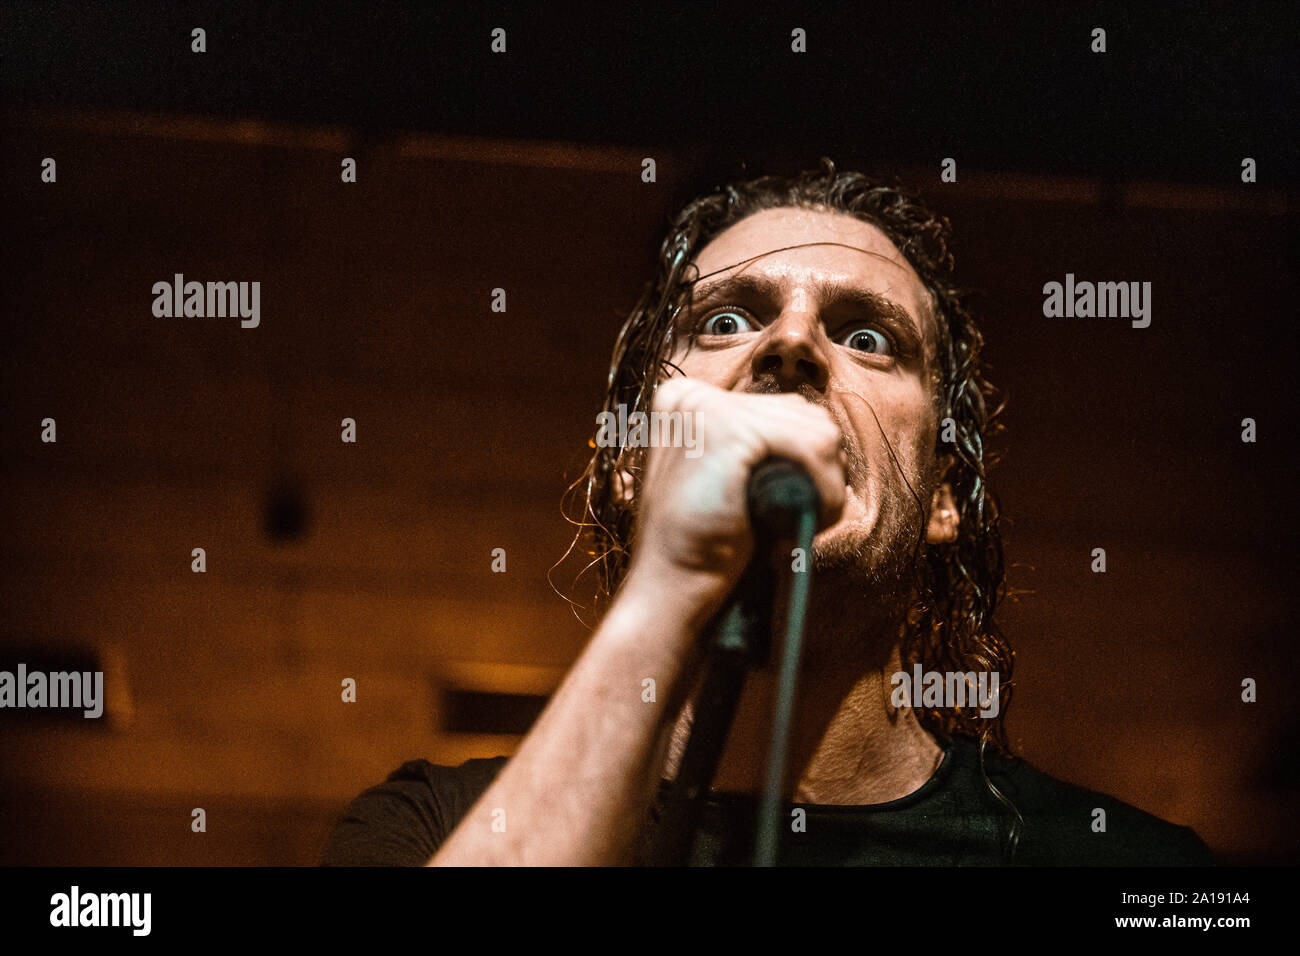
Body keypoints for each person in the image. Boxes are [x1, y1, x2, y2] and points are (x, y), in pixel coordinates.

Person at [321, 159, 1214, 866]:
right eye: (724, 322)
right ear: (636, 462)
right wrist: (670, 588)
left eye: (867, 337)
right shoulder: (437, 826)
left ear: (944, 496)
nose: (790, 344)